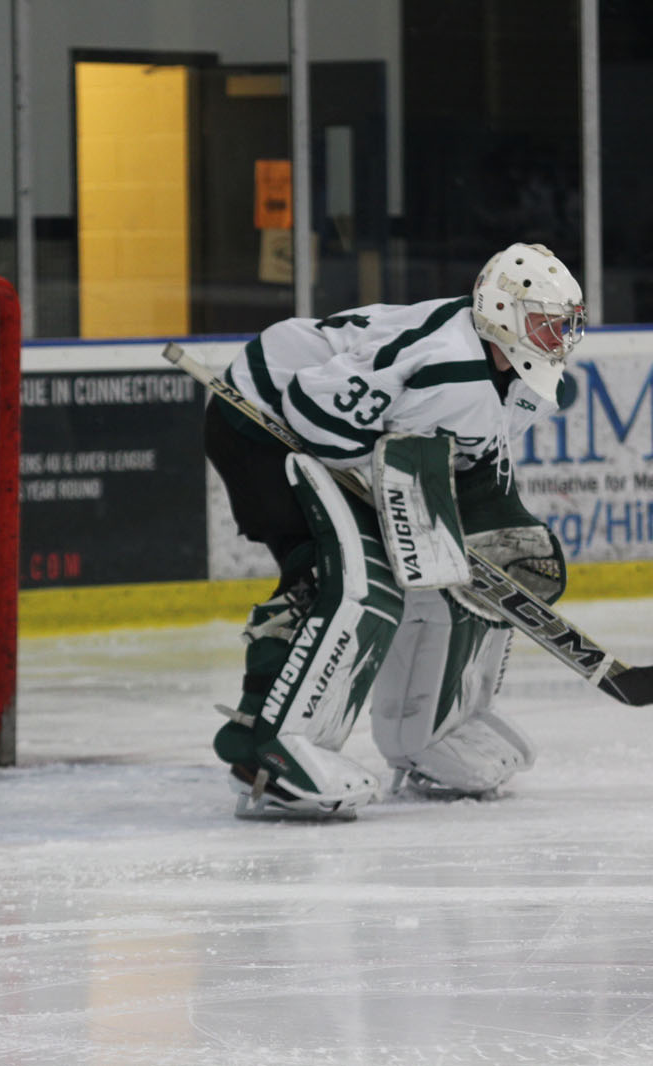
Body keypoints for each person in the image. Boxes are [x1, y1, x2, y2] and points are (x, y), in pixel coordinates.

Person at [202, 242, 585, 819]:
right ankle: (264, 752)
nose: (556, 342)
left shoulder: (517, 380)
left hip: (313, 430)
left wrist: (491, 524)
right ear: (501, 312)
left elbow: (472, 462)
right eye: (544, 326)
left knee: (446, 576)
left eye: (564, 328)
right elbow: (313, 412)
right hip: (261, 420)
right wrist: (391, 495)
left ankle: (430, 733)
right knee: (342, 577)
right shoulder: (445, 360)